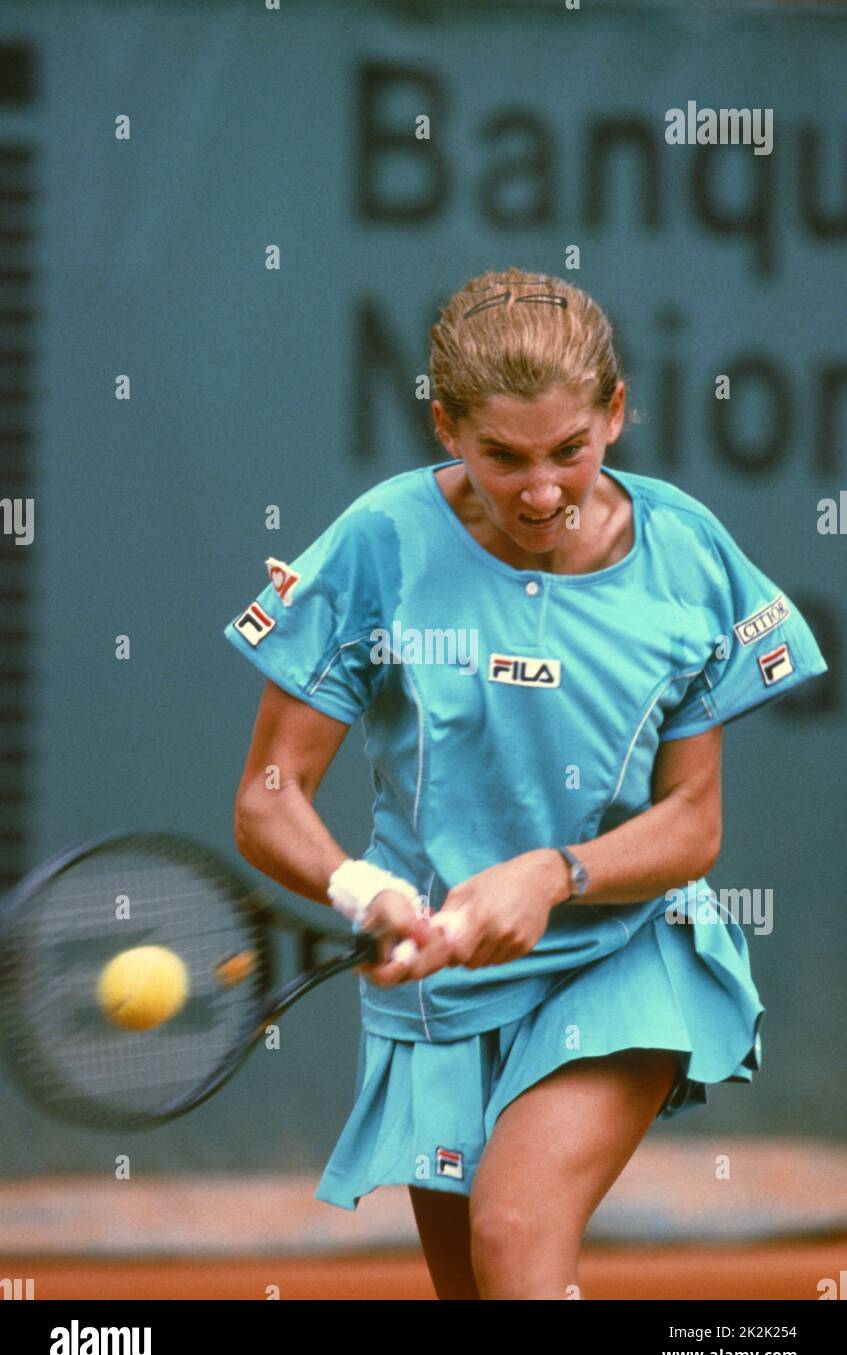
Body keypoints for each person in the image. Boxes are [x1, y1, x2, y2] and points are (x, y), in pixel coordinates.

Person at [223, 269, 828, 1300]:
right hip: (444, 985)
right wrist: (361, 890)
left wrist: (550, 874)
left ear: (617, 413)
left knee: (511, 1234)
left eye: (570, 452)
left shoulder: (686, 557)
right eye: (503, 456)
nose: (542, 490)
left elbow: (690, 824)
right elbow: (269, 795)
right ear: (446, 423)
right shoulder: (381, 544)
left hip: (626, 948)